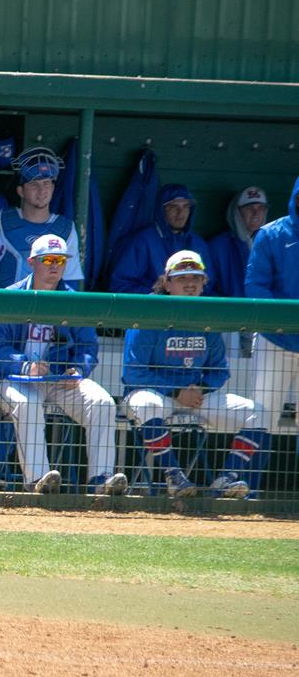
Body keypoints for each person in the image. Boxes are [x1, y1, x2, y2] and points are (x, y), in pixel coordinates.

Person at [0, 235, 127, 496]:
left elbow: (87, 348)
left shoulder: (74, 300)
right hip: (12, 379)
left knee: (102, 402)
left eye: (60, 260)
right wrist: (23, 366)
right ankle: (38, 480)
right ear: (32, 262)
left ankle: (100, 479)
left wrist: (78, 370)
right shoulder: (8, 297)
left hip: (58, 380)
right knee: (28, 404)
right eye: (48, 260)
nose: (55, 266)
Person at [121, 250, 266, 500]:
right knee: (145, 403)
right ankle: (173, 475)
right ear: (167, 282)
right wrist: (176, 392)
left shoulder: (206, 314)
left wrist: (201, 389)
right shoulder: (149, 312)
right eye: (182, 278)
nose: (190, 284)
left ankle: (226, 479)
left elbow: (219, 370)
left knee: (258, 413)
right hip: (156, 395)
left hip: (196, 395)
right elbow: (134, 372)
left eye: (196, 278)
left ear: (204, 283)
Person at [0, 148, 82, 289]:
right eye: (34, 184)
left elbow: (71, 281)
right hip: (1, 306)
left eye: (46, 183)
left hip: (46, 308)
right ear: (21, 191)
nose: (42, 190)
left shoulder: (66, 229)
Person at [244, 176, 299, 463]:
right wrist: (284, 319)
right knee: (262, 415)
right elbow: (256, 287)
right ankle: (245, 487)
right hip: (274, 340)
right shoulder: (272, 234)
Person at [106, 184, 211, 295]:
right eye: (173, 207)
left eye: (185, 206)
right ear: (161, 210)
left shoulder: (198, 244)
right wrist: (157, 294)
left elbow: (209, 285)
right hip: (152, 309)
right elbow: (119, 285)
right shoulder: (143, 241)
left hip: (191, 309)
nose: (181, 213)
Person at [207, 186, 267, 300]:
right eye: (249, 208)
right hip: (231, 314)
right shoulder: (218, 246)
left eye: (261, 208)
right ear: (236, 212)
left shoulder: (272, 244)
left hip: (267, 313)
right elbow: (206, 288)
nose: (256, 213)